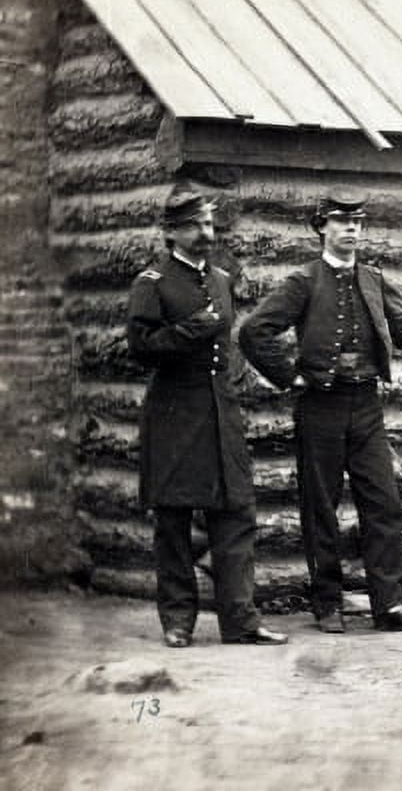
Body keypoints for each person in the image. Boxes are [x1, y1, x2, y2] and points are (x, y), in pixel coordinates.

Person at [239, 187, 402, 633]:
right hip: (320, 406)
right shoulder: (304, 281)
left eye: (357, 222)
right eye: (342, 222)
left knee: (383, 504)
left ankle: (388, 605)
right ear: (321, 228)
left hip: (366, 404)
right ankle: (328, 604)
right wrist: (291, 375)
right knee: (321, 507)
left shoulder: (373, 279)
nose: (351, 229)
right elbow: (255, 332)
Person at [127, 184, 287, 648]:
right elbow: (140, 349)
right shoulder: (151, 282)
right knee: (174, 520)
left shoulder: (219, 277)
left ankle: (241, 620)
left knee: (236, 514)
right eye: (195, 225)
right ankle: (178, 621)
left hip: (221, 412)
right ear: (171, 231)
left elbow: (228, 345)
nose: (205, 233)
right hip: (174, 414)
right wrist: (189, 331)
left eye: (209, 224)